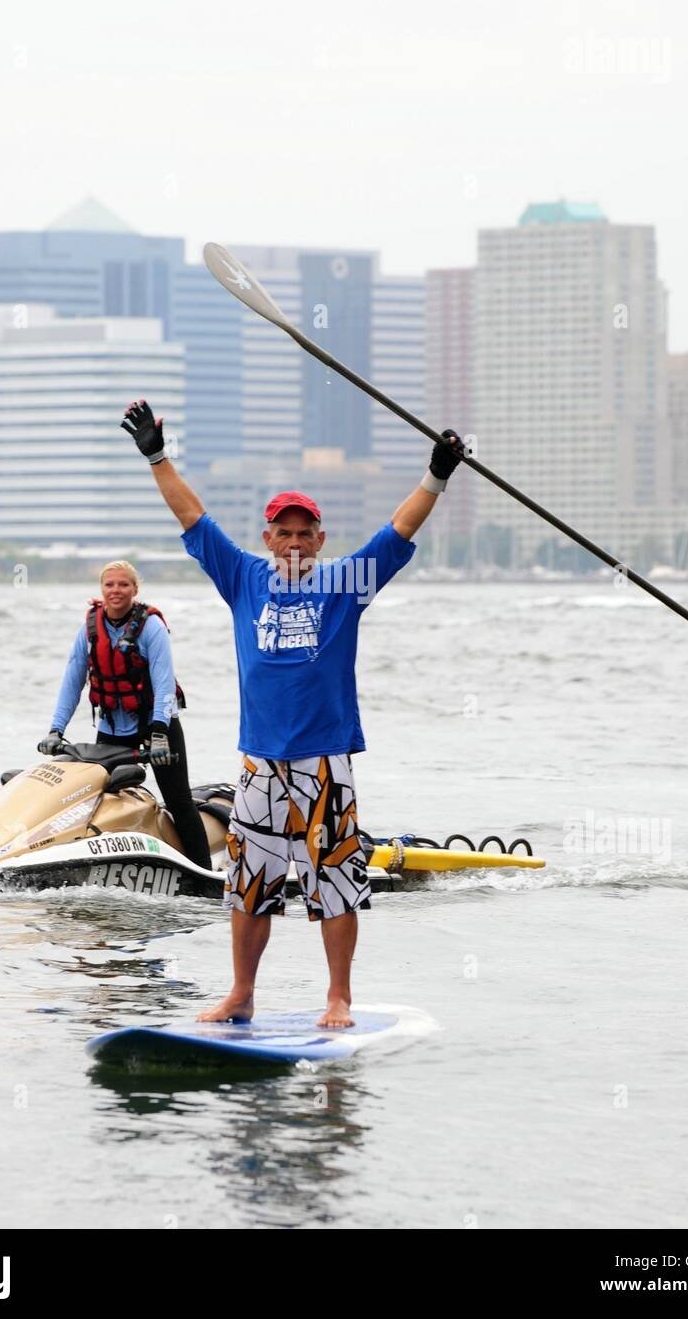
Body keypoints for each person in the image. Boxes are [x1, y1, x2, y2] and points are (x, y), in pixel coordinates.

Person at [122, 402, 462, 1026]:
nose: (297, 542)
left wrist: (436, 474)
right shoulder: (243, 577)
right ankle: (241, 995)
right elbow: (192, 515)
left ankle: (339, 997)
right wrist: (155, 456)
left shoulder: (345, 583)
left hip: (323, 760)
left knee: (333, 881)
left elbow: (398, 532)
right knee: (248, 885)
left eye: (308, 533)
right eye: (287, 532)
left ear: (320, 541)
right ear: (269, 538)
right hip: (259, 765)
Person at [37, 559, 211, 870]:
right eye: (109, 585)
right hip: (111, 731)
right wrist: (55, 730)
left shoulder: (151, 627)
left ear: (135, 589)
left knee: (179, 801)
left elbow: (164, 683)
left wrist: (159, 735)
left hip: (157, 729)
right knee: (95, 800)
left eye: (123, 584)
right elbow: (71, 681)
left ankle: (204, 873)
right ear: (101, 590)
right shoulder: (90, 628)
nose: (116, 590)